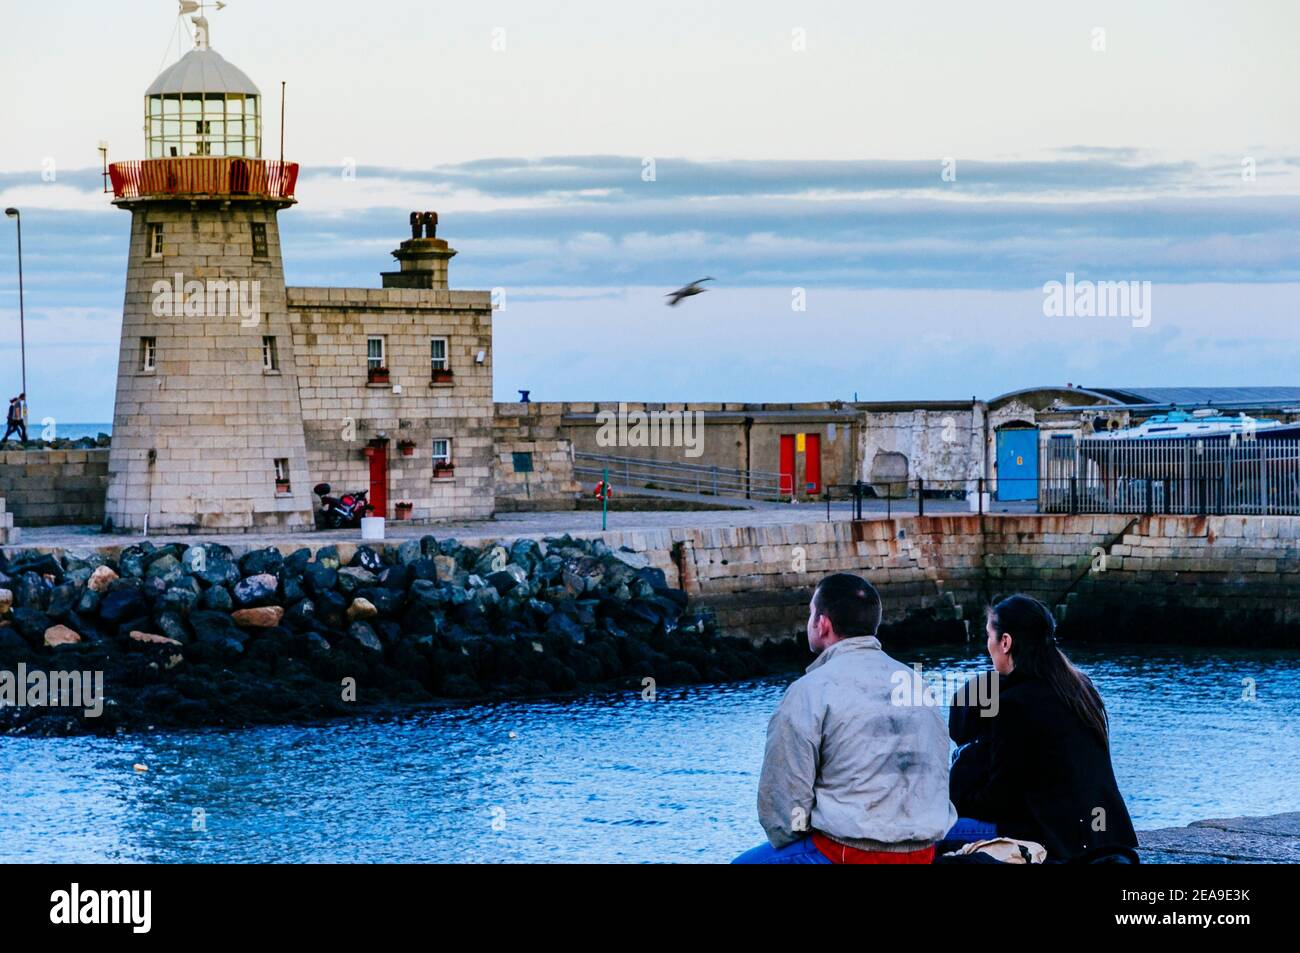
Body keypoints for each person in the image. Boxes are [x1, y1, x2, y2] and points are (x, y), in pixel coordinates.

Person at [733, 573, 957, 863]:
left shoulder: (809, 691)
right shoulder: (915, 683)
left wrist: (799, 839)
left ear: (823, 624)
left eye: (811, 612)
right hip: (922, 850)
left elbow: (784, 806)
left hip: (848, 852)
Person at [946, 594, 1137, 861]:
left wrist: (959, 788)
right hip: (1103, 835)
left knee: (938, 830)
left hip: (1054, 839)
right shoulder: (1080, 687)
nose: (987, 645)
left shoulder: (1013, 705)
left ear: (1005, 642)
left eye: (989, 636)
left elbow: (1000, 801)